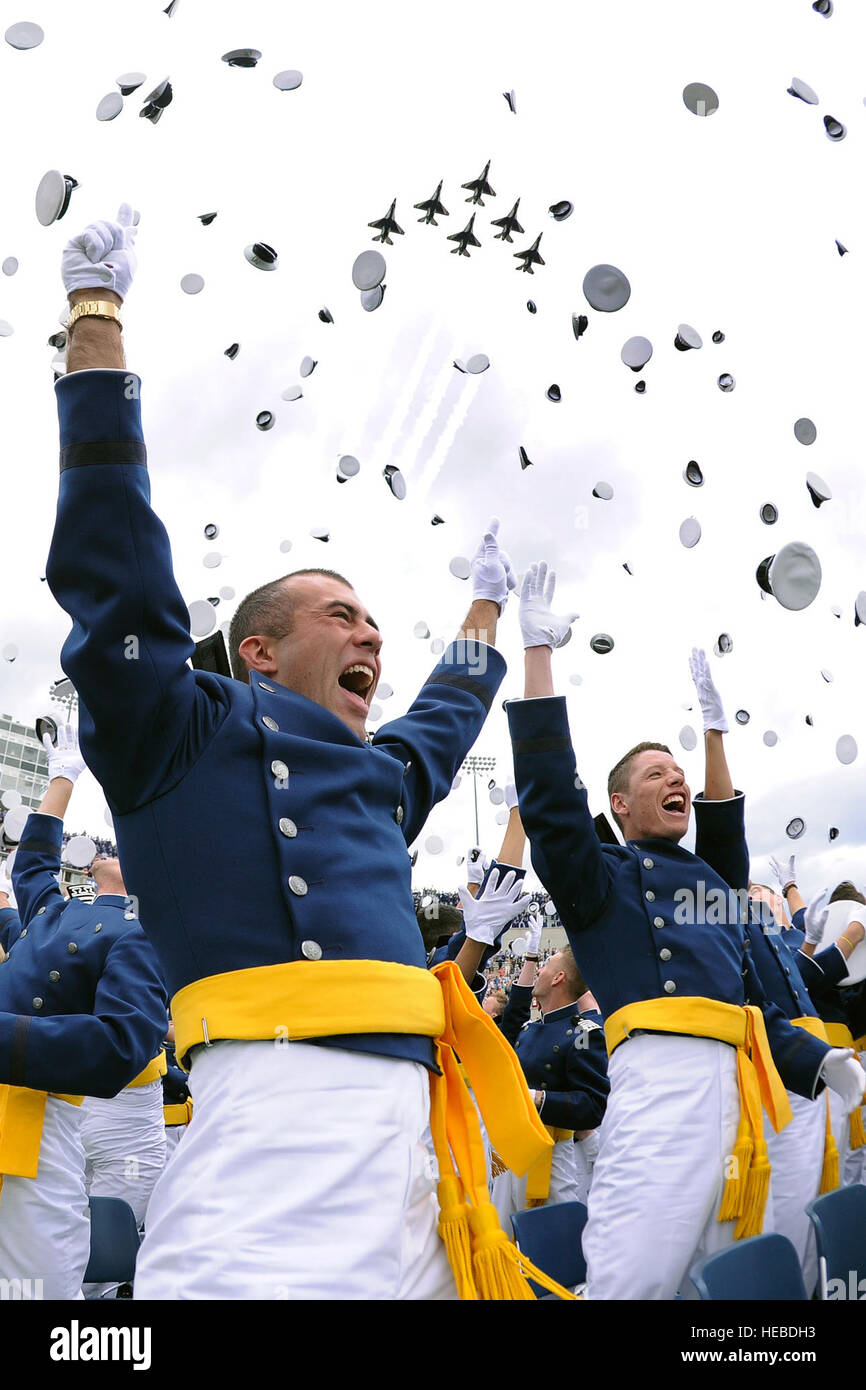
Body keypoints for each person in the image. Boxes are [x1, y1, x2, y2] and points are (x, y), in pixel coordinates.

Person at [46, 204, 560, 1301]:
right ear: (261, 654)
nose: (370, 631)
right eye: (341, 613)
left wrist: (484, 602)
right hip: (273, 1142)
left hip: (414, 1147)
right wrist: (96, 323)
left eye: (376, 618)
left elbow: (446, 715)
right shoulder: (181, 731)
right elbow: (113, 572)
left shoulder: (378, 780)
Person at [506, 565, 865, 1299]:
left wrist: (814, 1062)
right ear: (618, 802)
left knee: (729, 1274)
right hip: (661, 1084)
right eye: (656, 774)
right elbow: (550, 802)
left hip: (744, 1086)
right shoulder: (599, 878)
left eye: (681, 773)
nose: (677, 781)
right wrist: (538, 657)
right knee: (635, 1277)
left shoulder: (709, 886)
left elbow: (751, 995)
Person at [0, 722, 167, 1298]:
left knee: (37, 1282)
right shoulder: (56, 908)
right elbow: (32, 865)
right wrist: (64, 775)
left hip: (36, 1117)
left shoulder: (144, 932)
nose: (110, 845)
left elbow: (122, 1044)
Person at [494, 935, 608, 1219]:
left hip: (550, 1156)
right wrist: (530, 957)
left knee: (548, 1242)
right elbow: (509, 1023)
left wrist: (538, 1098)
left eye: (544, 966)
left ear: (558, 978)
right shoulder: (530, 1028)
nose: (540, 972)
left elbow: (594, 1105)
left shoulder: (584, 1033)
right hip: (512, 1150)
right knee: (504, 1235)